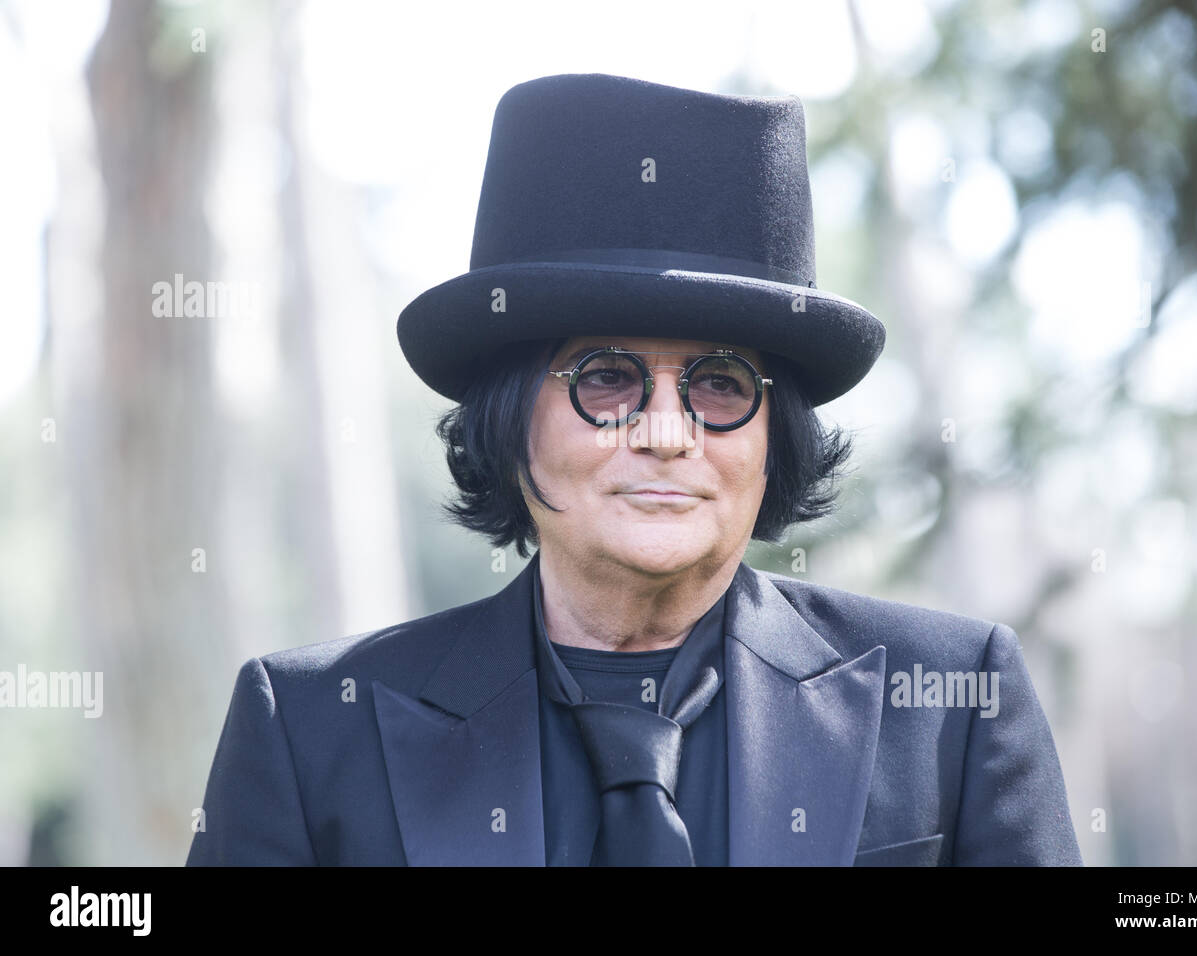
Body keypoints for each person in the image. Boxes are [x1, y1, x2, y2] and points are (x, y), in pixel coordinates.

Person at [186, 72, 1082, 866]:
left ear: (775, 432)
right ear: (509, 414)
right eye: (606, 379)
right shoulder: (309, 729)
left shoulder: (951, 706)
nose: (665, 431)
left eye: (721, 384)